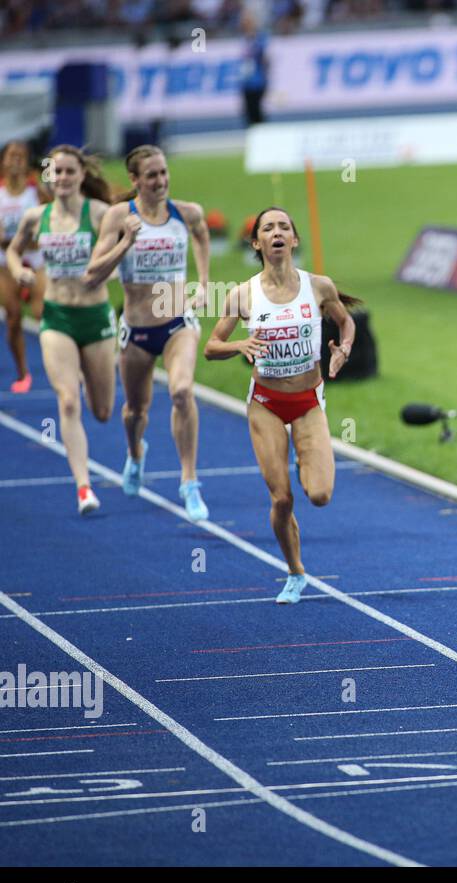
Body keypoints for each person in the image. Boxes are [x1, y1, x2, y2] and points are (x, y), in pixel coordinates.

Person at [203, 207, 355, 604]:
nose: (276, 233)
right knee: (282, 498)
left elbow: (345, 321)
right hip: (266, 404)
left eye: (283, 227)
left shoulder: (318, 286)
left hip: (308, 402)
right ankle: (295, 572)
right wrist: (239, 344)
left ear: (294, 240)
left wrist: (343, 349)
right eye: (267, 228)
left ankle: (308, 461)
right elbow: (211, 347)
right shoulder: (243, 294)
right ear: (256, 243)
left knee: (319, 494)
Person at [88, 145, 211, 521]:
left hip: (178, 324)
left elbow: (202, 236)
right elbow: (93, 272)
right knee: (135, 410)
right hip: (137, 331)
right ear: (135, 180)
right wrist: (125, 242)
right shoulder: (117, 217)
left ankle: (189, 481)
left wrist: (204, 283)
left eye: (164, 172)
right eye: (152, 175)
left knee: (181, 391)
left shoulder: (186, 213)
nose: (161, 181)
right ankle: (135, 453)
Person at [5, 146, 118, 515]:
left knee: (101, 410)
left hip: (95, 317)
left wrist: (112, 265)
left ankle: (87, 378)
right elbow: (14, 250)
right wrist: (18, 268)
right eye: (58, 172)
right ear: (49, 177)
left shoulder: (101, 214)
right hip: (57, 317)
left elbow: (117, 255)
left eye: (71, 171)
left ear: (82, 175)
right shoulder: (37, 217)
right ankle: (84, 487)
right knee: (67, 400)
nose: (64, 178)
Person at [0, 139, 50, 392]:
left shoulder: (37, 191)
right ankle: (22, 374)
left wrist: (30, 241)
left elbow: (50, 224)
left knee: (44, 314)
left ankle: (62, 365)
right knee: (13, 318)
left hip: (37, 261)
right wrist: (20, 242)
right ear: (3, 161)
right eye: (12, 155)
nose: (16, 160)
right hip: (6, 264)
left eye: (21, 156)